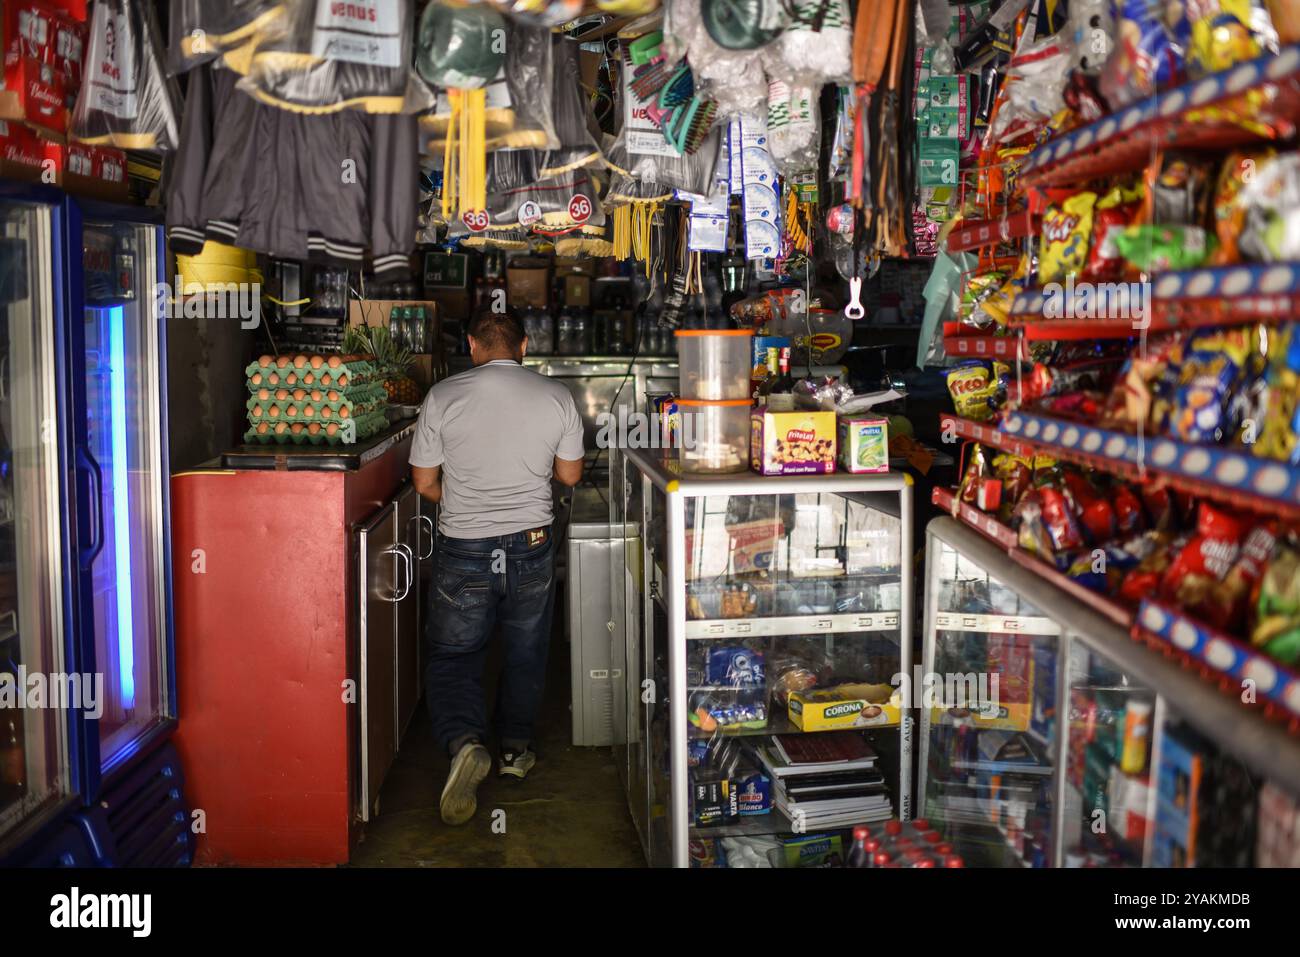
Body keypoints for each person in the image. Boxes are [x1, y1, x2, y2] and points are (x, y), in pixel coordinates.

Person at [409, 309, 584, 825]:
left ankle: (465, 742)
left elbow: (423, 484)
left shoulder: (443, 396)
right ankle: (513, 752)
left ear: (472, 345)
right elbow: (569, 476)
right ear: (525, 346)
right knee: (527, 649)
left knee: (455, 654)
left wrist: (465, 504)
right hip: (531, 542)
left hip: (465, 543)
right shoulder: (555, 397)